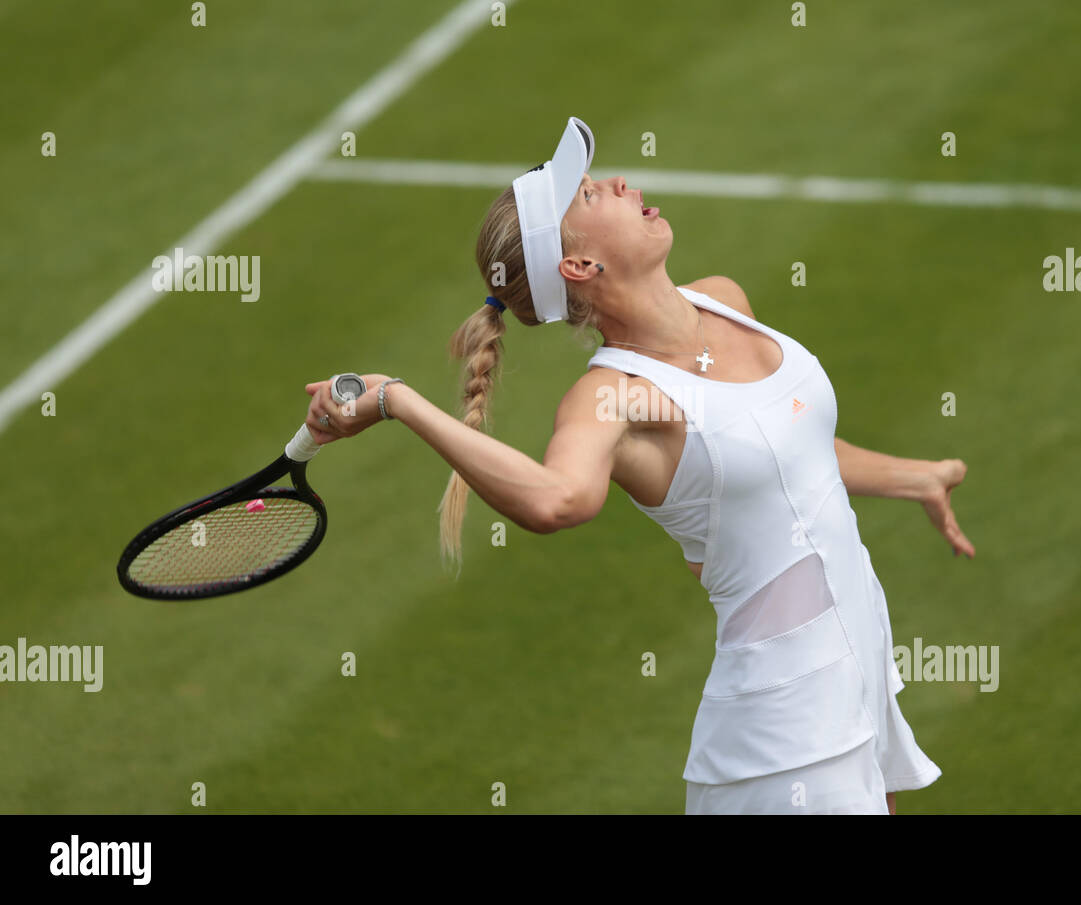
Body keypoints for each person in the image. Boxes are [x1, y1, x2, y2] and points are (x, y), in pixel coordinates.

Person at [301, 116, 975, 814]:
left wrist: (910, 476)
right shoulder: (612, 399)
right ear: (580, 267)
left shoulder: (725, 299)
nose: (624, 183)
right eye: (592, 196)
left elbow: (783, 446)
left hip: (857, 664)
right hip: (786, 736)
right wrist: (396, 401)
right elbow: (558, 499)